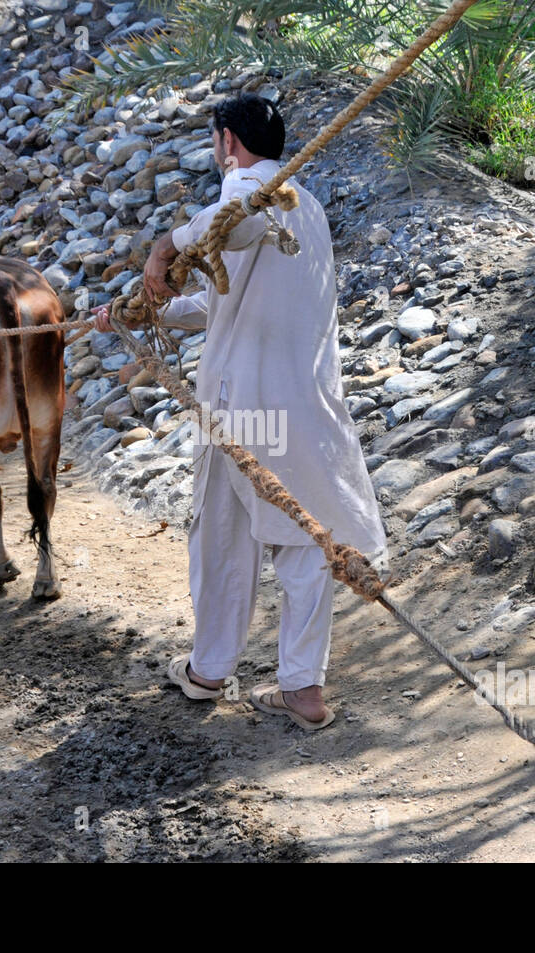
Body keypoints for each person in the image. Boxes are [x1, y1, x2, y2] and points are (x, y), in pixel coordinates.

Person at [95, 93, 387, 730]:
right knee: (307, 540)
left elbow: (236, 215)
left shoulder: (255, 190)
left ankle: (209, 670)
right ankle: (304, 689)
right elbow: (220, 302)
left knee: (222, 534)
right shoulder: (305, 208)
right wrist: (137, 312)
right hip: (307, 408)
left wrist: (163, 245)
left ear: (227, 141)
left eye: (216, 140)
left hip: (240, 409)